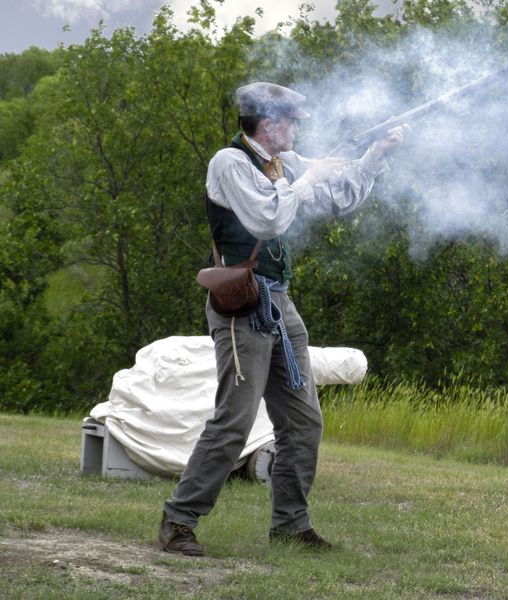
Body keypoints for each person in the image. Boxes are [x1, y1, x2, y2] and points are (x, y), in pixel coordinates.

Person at [158, 82, 405, 555]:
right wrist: (308, 180)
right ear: (269, 123)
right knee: (235, 419)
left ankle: (291, 525)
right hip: (242, 302)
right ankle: (178, 520)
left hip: (278, 302)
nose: (295, 129)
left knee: (304, 421)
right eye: (290, 121)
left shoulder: (285, 164)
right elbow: (267, 219)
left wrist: (375, 153)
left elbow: (342, 197)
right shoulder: (228, 162)